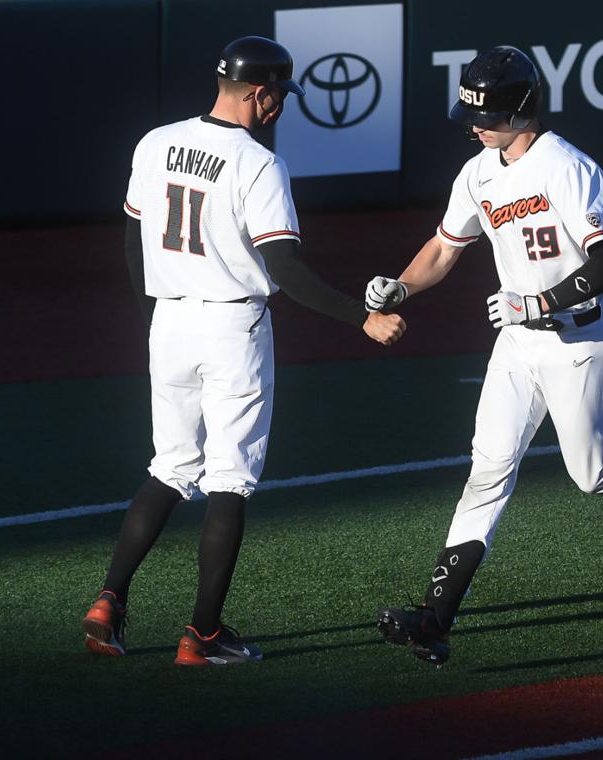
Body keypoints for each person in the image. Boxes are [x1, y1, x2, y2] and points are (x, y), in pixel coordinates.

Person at [367, 46, 603, 666]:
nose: (473, 124)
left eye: (487, 113)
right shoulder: (478, 171)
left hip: (585, 340)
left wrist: (540, 303)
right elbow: (444, 248)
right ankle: (434, 619)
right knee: (488, 469)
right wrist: (400, 287)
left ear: (524, 110)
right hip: (517, 345)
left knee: (592, 471)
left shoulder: (568, 168)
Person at [82, 35, 405, 666]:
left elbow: (132, 241)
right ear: (259, 95)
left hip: (167, 321)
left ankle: (109, 601)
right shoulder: (259, 164)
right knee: (229, 479)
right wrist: (362, 318)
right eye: (280, 94)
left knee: (169, 466)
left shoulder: (155, 142)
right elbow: (285, 269)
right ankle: (202, 636)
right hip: (232, 331)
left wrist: (160, 306)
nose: (281, 105)